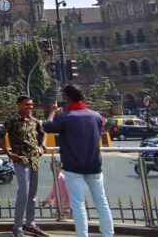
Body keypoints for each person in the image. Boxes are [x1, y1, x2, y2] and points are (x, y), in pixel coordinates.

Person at [43, 85, 114, 237]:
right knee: (102, 202)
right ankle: (108, 234)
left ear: (68, 99)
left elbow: (47, 127)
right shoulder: (96, 116)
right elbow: (100, 129)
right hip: (94, 165)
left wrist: (52, 113)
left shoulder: (66, 117)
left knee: (78, 203)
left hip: (73, 166)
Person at [0, 95, 48, 237]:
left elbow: (43, 134)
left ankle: (30, 223)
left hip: (34, 160)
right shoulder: (12, 120)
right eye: (27, 105)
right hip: (21, 160)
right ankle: (18, 227)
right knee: (23, 193)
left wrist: (43, 146)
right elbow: (0, 136)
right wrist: (9, 154)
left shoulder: (33, 121)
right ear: (19, 105)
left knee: (32, 195)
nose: (30, 107)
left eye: (31, 105)